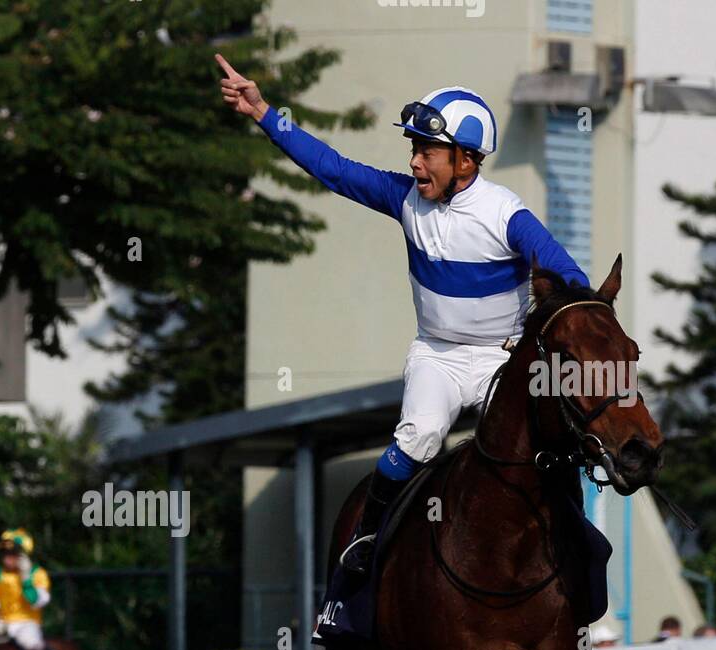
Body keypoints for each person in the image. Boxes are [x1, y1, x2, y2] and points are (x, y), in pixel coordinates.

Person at [217, 57, 591, 583]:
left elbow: (569, 277)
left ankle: (577, 549)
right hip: (437, 354)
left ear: (465, 160)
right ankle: (366, 546)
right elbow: (334, 168)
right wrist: (262, 111)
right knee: (417, 437)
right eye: (414, 150)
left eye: (426, 151)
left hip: (501, 363)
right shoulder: (404, 199)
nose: (415, 163)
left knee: (546, 446)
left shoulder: (506, 214)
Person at [0, 529, 60, 650]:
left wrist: (26, 580)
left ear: (23, 556)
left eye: (13, 554)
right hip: (1, 623)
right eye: (5, 553)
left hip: (26, 623)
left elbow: (36, 601)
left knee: (29, 642)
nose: (7, 558)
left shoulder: (37, 574)